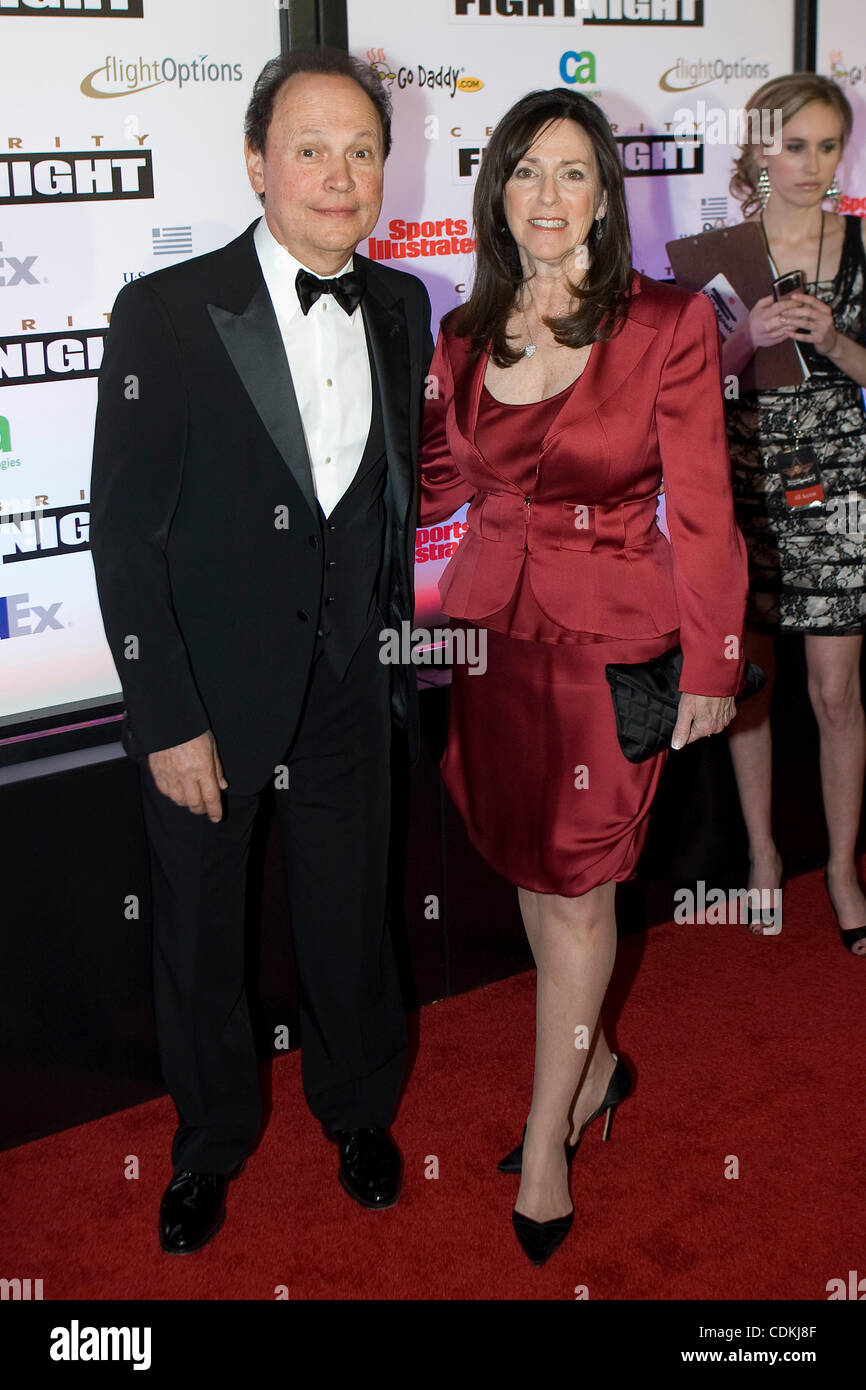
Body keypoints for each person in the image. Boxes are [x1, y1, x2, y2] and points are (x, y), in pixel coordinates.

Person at [89, 47, 433, 1254]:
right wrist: (165, 716)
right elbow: (124, 535)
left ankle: (357, 1112)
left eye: (360, 150)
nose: (338, 176)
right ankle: (208, 1144)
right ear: (255, 162)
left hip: (348, 679)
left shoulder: (401, 307)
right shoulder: (167, 313)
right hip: (207, 694)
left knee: (349, 915)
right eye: (308, 148)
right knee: (199, 930)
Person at [419, 88, 748, 1266]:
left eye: (571, 173)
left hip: (613, 643)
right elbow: (433, 491)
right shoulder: (461, 335)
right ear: (495, 192)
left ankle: (548, 1132)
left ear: (604, 195)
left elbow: (703, 510)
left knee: (582, 884)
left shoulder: (662, 321)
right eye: (524, 171)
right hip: (494, 643)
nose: (546, 195)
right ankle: (596, 1058)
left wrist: (712, 660)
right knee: (526, 863)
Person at [721, 74, 866, 955]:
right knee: (753, 692)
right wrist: (752, 337)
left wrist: (834, 340)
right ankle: (763, 856)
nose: (811, 165)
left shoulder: (857, 246)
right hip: (743, 483)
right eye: (795, 144)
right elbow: (692, 377)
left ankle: (844, 867)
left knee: (836, 693)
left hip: (842, 487)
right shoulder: (722, 252)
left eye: (828, 146)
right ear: (759, 147)